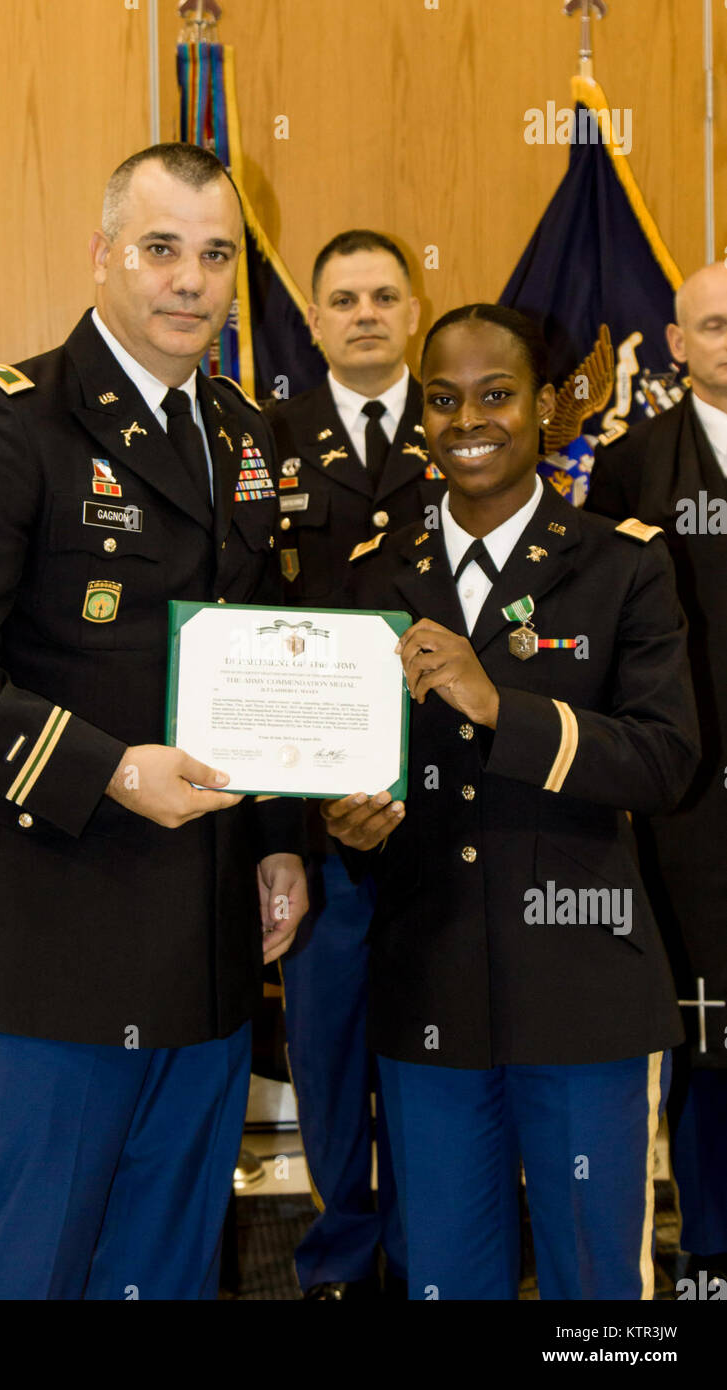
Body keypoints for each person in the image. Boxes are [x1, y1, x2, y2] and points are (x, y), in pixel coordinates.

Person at [0, 142, 308, 1301]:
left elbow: (258, 659)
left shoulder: (246, 433)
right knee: (19, 1266)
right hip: (51, 928)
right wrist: (109, 771)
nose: (190, 282)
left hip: (205, 935)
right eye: (161, 249)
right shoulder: (9, 423)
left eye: (215, 256)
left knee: (162, 1266)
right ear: (104, 254)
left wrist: (276, 844)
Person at [322, 303, 700, 1300]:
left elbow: (666, 763)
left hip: (584, 989)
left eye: (495, 395)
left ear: (542, 407)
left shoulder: (623, 563)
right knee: (444, 1275)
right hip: (429, 985)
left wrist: (503, 711)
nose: (466, 420)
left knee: (597, 1290)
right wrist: (342, 828)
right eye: (441, 400)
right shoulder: (370, 579)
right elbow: (350, 766)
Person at [265, 230, 441, 1298]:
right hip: (312, 805)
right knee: (327, 1050)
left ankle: (437, 1251)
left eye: (384, 294)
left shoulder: (467, 423)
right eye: (344, 298)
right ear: (317, 320)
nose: (365, 312)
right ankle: (340, 1256)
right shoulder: (265, 439)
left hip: (438, 799)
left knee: (434, 1049)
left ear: (414, 308)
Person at [586, 262, 727, 1288]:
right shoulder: (632, 466)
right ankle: (710, 1245)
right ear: (676, 345)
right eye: (714, 326)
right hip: (691, 807)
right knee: (706, 1031)